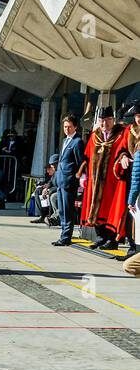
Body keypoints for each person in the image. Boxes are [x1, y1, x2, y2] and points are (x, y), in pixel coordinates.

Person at [79, 106, 129, 249]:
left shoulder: (121, 135)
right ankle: (101, 237)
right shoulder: (95, 136)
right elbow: (87, 157)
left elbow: (124, 151)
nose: (104, 124)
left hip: (112, 182)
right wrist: (83, 175)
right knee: (95, 209)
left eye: (108, 120)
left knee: (110, 209)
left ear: (113, 120)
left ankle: (112, 240)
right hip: (94, 182)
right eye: (101, 120)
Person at [52, 114, 85, 246]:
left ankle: (66, 237)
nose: (67, 129)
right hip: (61, 180)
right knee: (61, 209)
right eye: (65, 127)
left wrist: (77, 177)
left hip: (69, 180)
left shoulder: (77, 142)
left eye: (69, 127)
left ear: (75, 127)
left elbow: (80, 162)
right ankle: (63, 234)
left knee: (67, 209)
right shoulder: (65, 140)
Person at [117, 103, 140, 259]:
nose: (139, 120)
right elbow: (122, 149)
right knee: (130, 214)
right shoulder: (129, 131)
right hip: (130, 175)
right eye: (137, 116)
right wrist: (123, 157)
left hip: (137, 175)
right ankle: (132, 247)